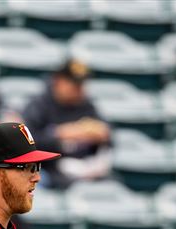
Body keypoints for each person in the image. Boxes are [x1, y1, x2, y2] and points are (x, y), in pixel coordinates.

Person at [21, 60, 111, 188]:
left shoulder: (86, 105)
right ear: (58, 81)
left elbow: (107, 133)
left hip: (84, 166)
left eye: (81, 84)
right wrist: (59, 134)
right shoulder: (39, 105)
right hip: (48, 168)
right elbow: (28, 142)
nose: (78, 89)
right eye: (74, 84)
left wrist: (101, 133)